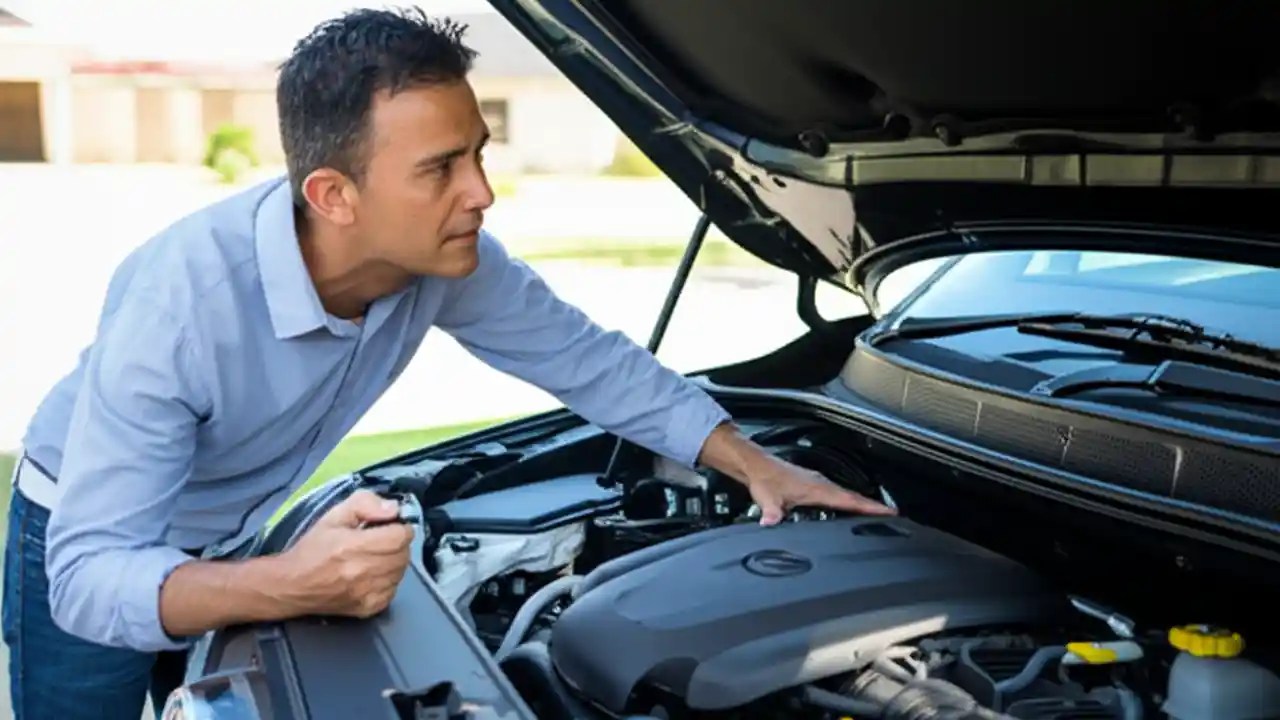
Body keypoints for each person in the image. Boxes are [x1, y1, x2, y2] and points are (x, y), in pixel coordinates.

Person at [2, 7, 894, 719]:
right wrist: (288, 581)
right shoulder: (182, 307)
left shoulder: (445, 264)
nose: (482, 193)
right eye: (441, 168)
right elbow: (88, 579)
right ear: (332, 194)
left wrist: (760, 467)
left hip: (231, 528)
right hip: (88, 533)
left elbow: (591, 362)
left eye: (478, 153)